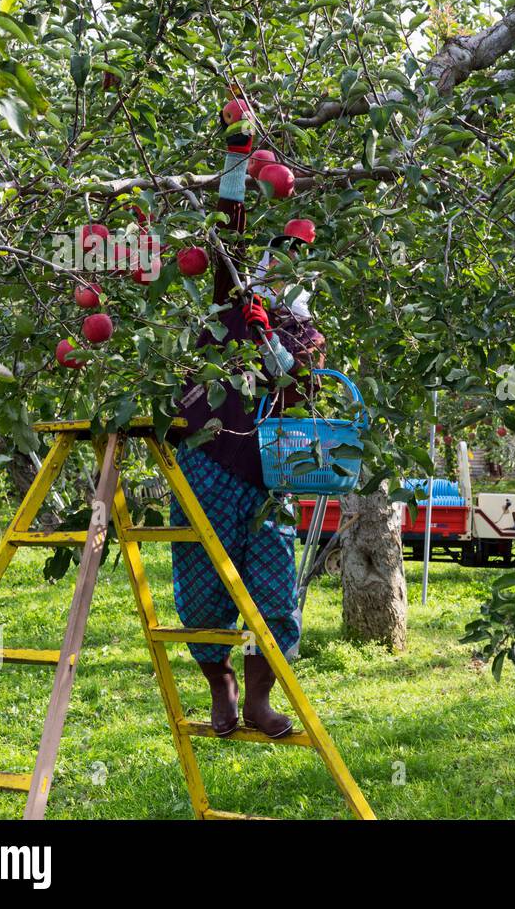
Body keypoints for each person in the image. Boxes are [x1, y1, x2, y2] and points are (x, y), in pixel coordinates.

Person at [169, 99, 325, 738]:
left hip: (268, 474)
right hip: (206, 457)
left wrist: (279, 348)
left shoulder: (304, 332)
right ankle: (222, 688)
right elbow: (224, 228)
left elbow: (302, 391)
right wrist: (238, 153)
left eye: (292, 261)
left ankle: (260, 698)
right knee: (202, 585)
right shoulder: (232, 297)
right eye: (276, 255)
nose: (279, 267)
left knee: (274, 589)